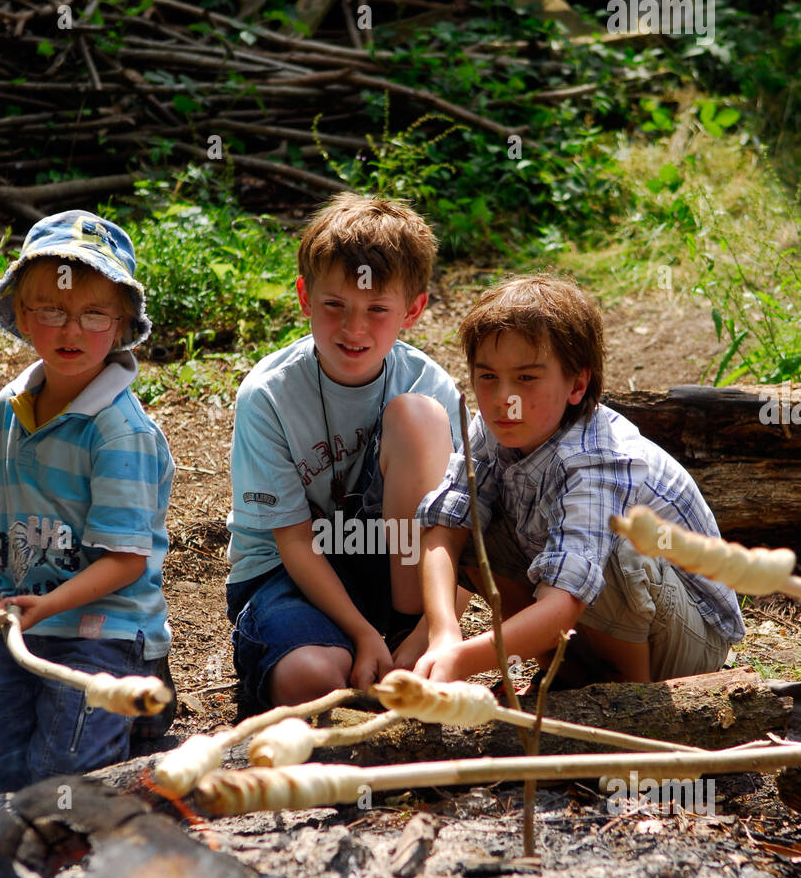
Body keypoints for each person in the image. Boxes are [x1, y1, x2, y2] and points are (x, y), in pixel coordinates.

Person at [0, 210, 175, 796]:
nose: (72, 329)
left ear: (121, 326)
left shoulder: (120, 433)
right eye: (51, 310)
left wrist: (46, 608)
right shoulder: (8, 408)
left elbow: (125, 561)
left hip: (105, 629)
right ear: (21, 316)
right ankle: (59, 711)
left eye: (94, 313)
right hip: (27, 624)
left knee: (62, 777)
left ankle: (142, 704)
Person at [414, 274, 745, 687]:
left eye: (526, 378)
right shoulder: (491, 429)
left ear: (577, 383)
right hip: (604, 615)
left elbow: (566, 600)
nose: (503, 399)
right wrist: (444, 634)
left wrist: (463, 660)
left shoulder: (597, 459)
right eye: (487, 377)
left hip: (688, 641)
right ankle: (567, 667)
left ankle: (626, 691)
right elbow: (443, 527)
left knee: (618, 546)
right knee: (467, 521)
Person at [226, 191, 467, 707]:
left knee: (419, 416)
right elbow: (292, 540)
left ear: (413, 309)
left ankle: (401, 635)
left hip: (388, 570)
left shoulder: (431, 383)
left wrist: (429, 634)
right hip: (287, 572)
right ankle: (352, 647)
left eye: (377, 309)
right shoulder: (268, 394)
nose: (354, 329)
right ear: (305, 297)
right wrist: (361, 634)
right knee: (313, 677)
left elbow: (464, 526)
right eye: (335, 305)